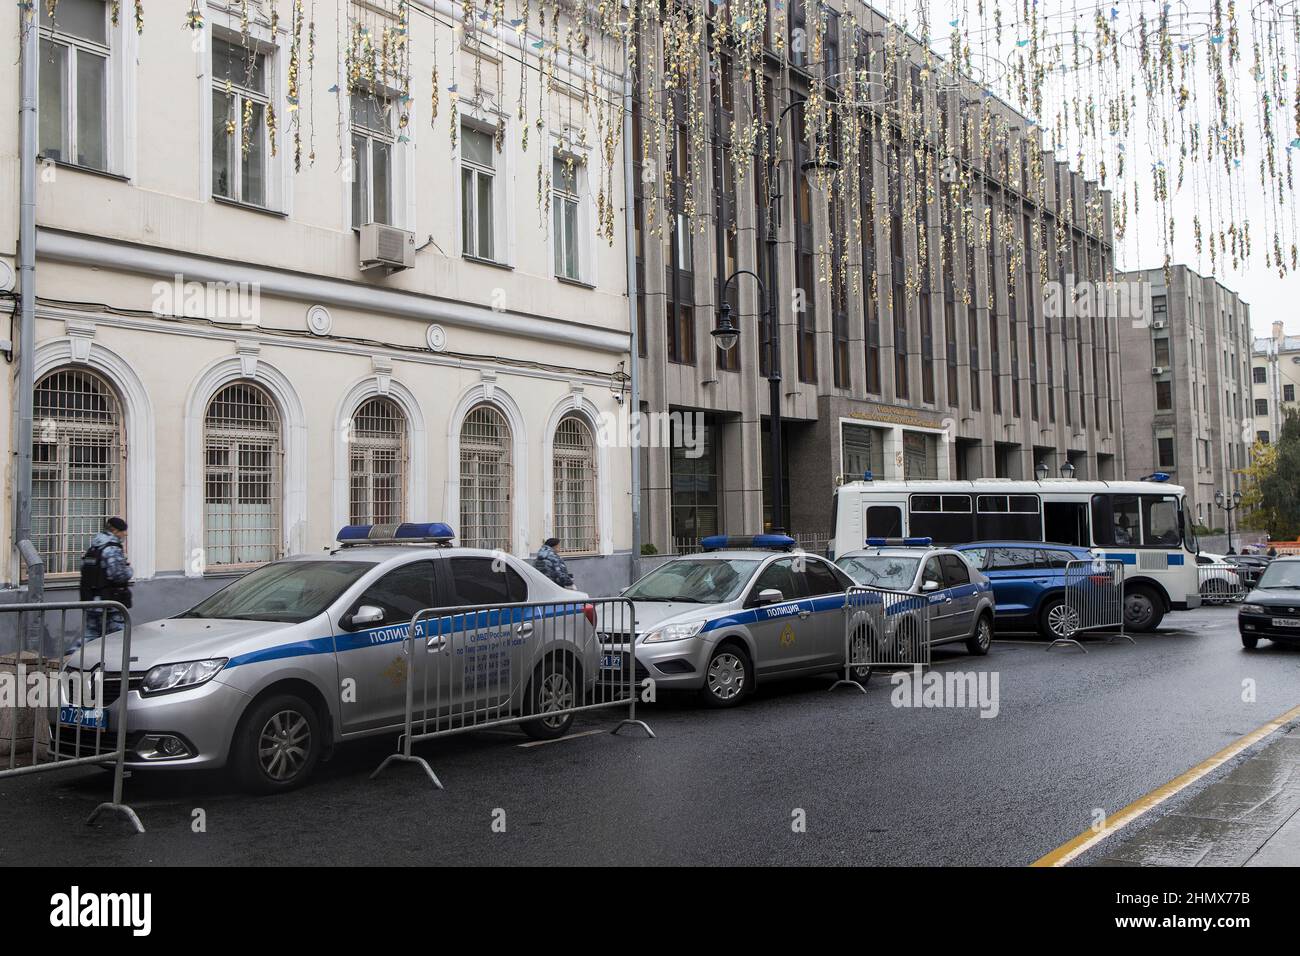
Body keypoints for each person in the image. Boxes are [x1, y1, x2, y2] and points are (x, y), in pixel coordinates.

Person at [75, 517, 133, 651]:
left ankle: (72, 656)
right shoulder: (112, 548)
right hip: (111, 602)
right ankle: (118, 668)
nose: (124, 535)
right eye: (123, 532)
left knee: (91, 637)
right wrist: (129, 570)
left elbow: (85, 570)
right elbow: (118, 574)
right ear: (115, 531)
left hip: (92, 601)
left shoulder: (94, 546)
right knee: (119, 638)